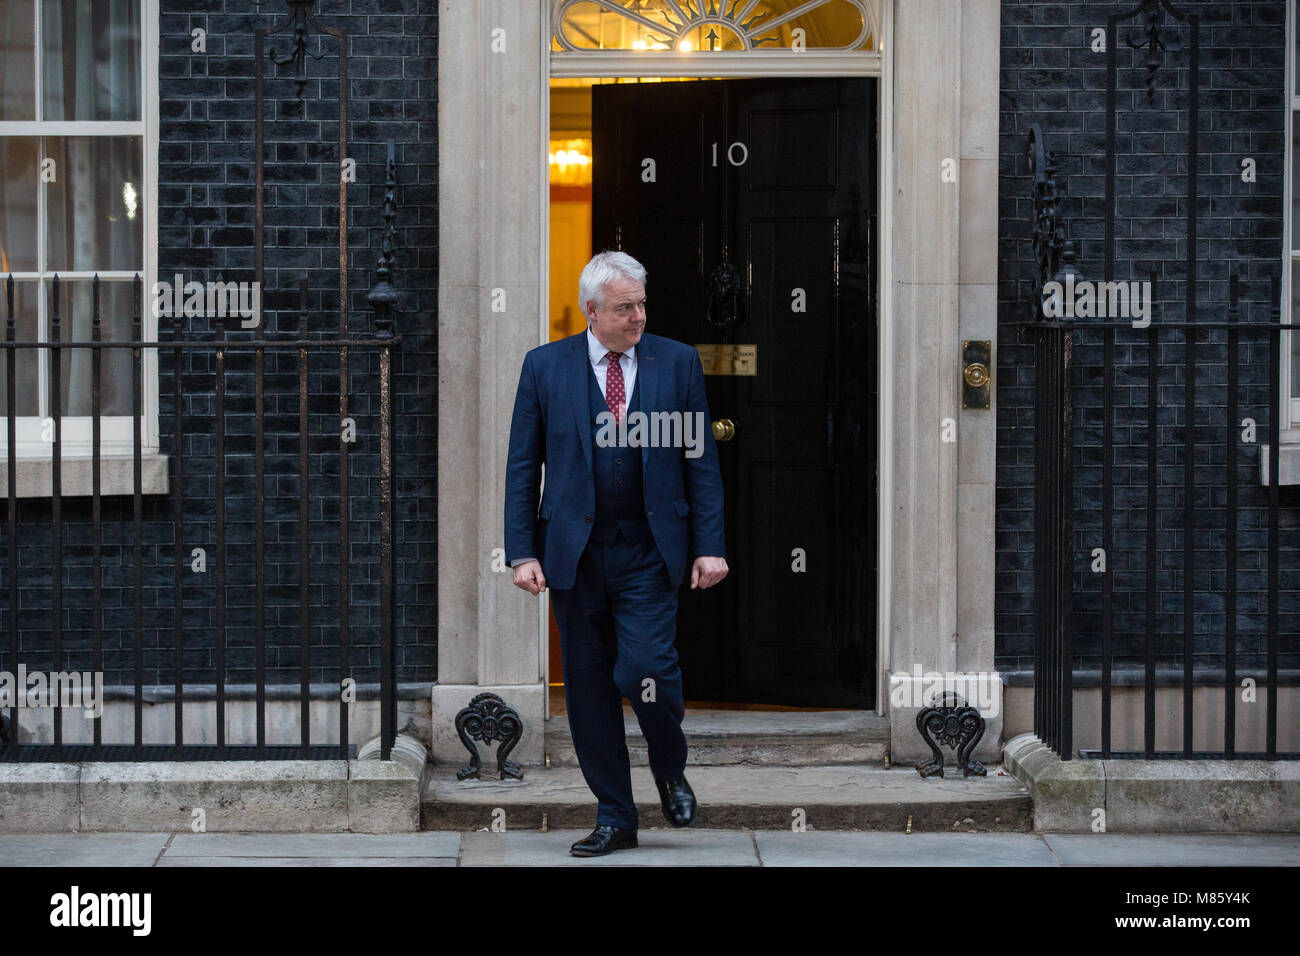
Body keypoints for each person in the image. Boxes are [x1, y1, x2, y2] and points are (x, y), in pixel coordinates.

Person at [504, 250, 728, 857]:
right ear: (593, 311)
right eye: (626, 307)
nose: (639, 316)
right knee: (588, 688)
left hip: (650, 551)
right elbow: (524, 467)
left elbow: (699, 461)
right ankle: (615, 815)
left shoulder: (675, 362)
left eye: (642, 304)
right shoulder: (545, 367)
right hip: (574, 554)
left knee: (644, 668)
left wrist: (709, 546)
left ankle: (668, 766)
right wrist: (521, 552)